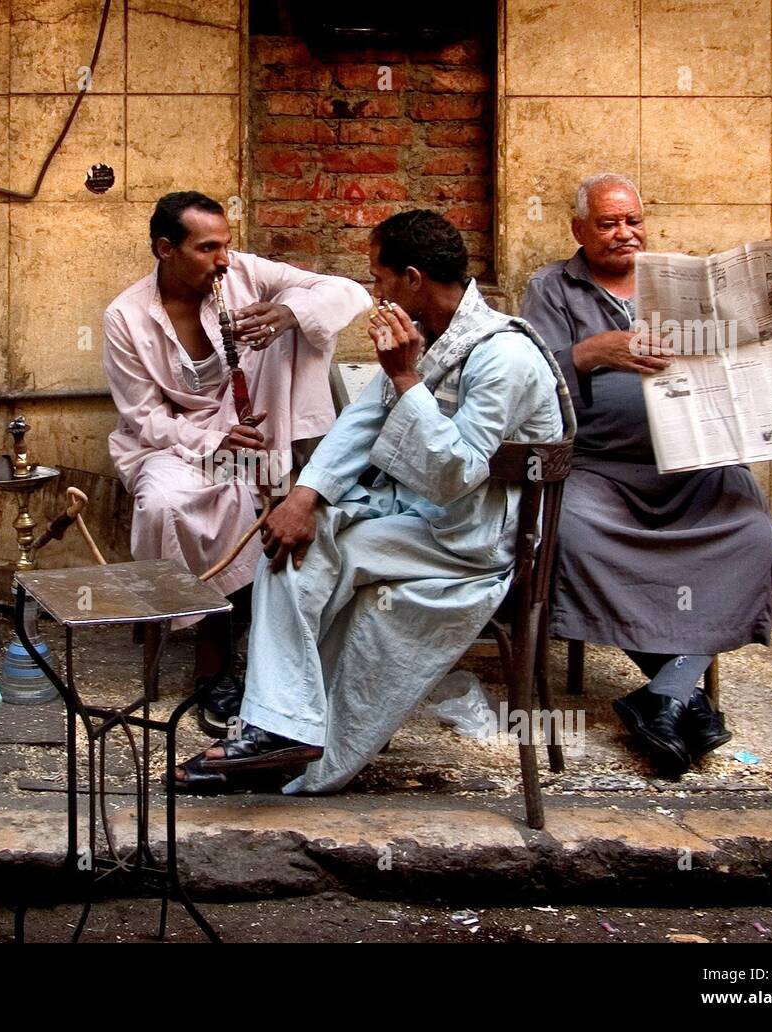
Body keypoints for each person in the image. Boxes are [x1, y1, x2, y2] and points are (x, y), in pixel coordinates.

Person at [173, 210, 564, 793]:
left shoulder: (504, 356)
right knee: (289, 551)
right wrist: (304, 496)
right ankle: (280, 731)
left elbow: (457, 473)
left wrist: (406, 380)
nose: (376, 294)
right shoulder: (427, 337)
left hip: (473, 543)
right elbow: (363, 421)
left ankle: (285, 740)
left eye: (380, 279)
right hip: (418, 524)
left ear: (413, 279)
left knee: (309, 556)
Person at [520, 172, 772, 775]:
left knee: (752, 530)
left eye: (633, 220)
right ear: (578, 229)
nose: (625, 232)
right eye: (608, 223)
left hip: (695, 461)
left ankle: (664, 695)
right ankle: (678, 692)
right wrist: (593, 352)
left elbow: (749, 347)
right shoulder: (553, 288)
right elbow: (527, 381)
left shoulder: (679, 282)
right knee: (574, 534)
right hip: (599, 468)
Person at [104, 191, 370, 732]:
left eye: (226, 244)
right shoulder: (125, 316)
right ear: (165, 249)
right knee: (165, 503)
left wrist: (289, 313)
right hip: (175, 445)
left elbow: (350, 292)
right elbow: (144, 417)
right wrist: (212, 442)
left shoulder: (245, 273)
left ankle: (242, 660)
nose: (223, 259)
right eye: (207, 248)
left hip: (262, 433)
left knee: (297, 320)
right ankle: (215, 649)